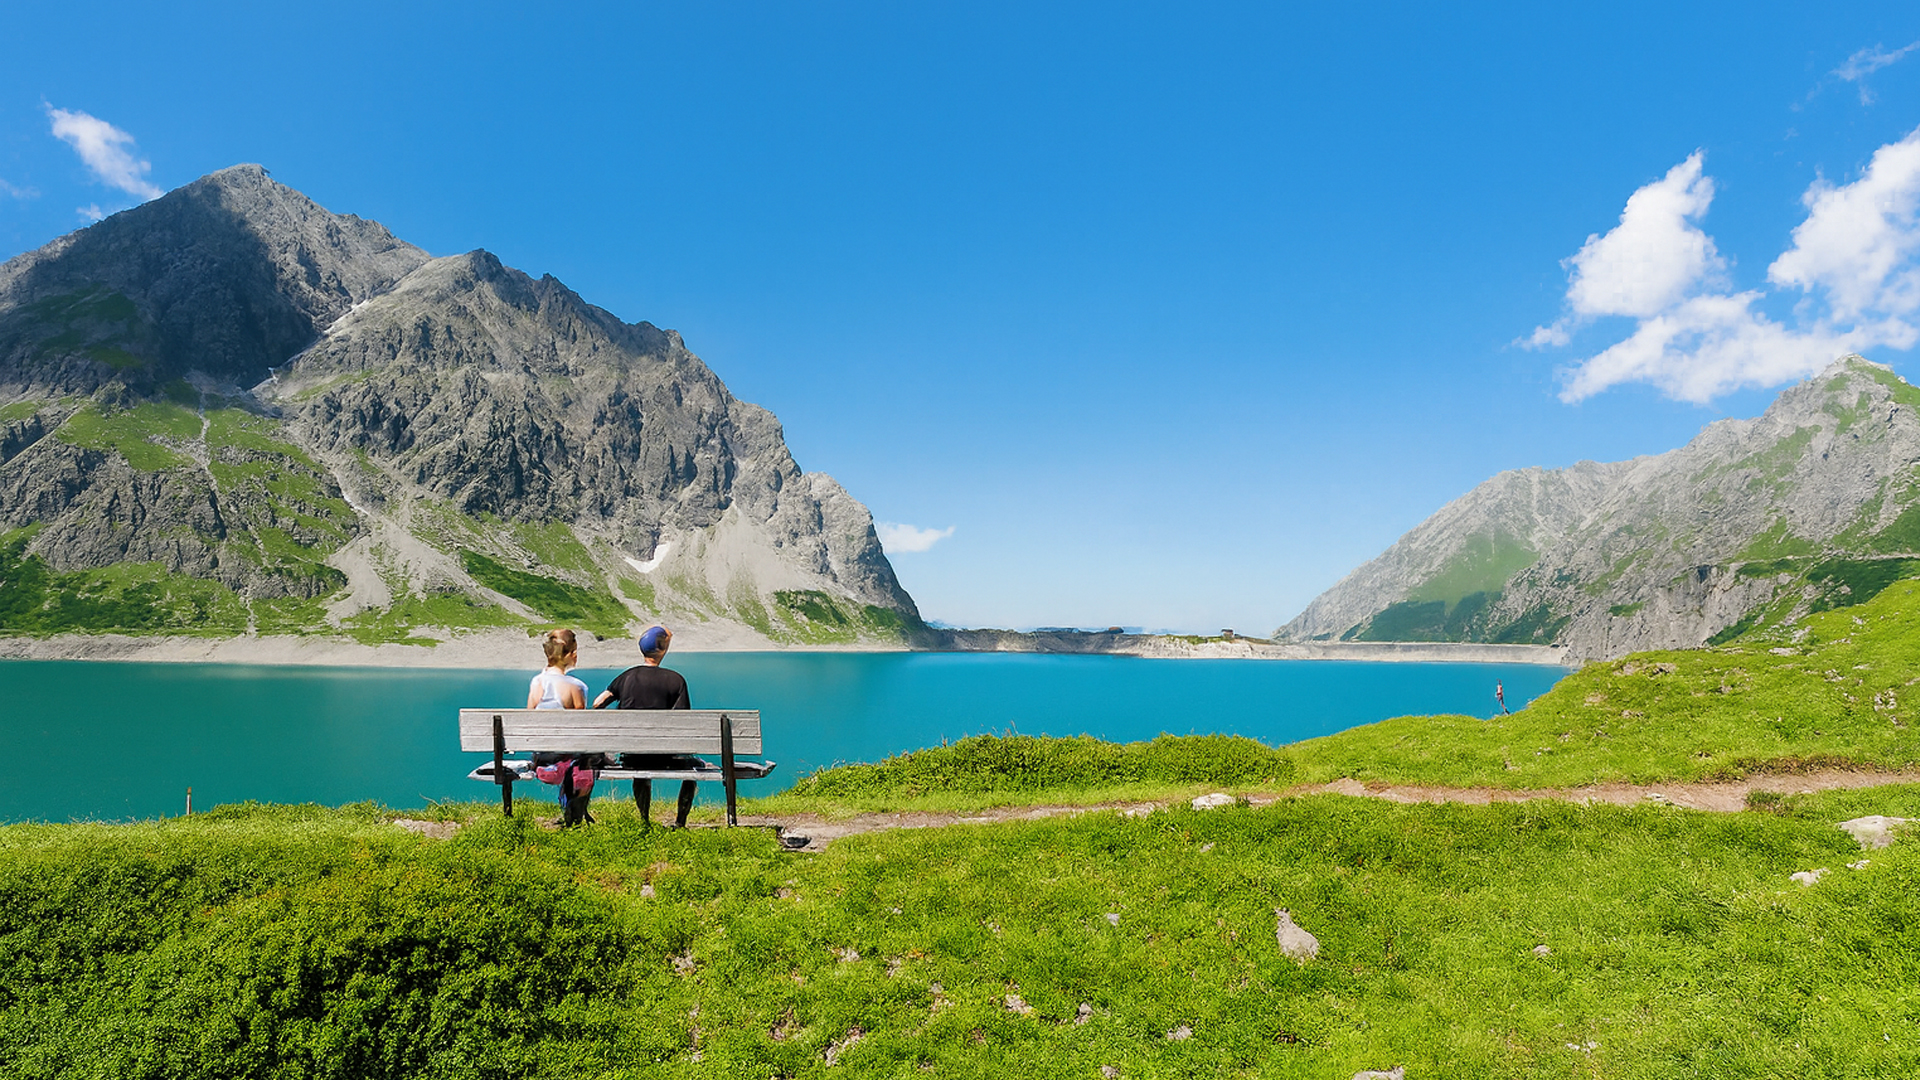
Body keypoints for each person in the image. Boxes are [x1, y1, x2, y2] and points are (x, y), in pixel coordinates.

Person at [595, 624, 700, 827]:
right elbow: (683, 721)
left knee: (640, 765)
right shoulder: (676, 680)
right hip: (666, 756)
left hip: (633, 756)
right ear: (662, 650)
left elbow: (598, 703)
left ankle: (644, 819)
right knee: (694, 768)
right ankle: (680, 821)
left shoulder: (627, 676)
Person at [527, 628, 597, 825]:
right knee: (588, 758)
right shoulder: (576, 686)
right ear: (571, 654)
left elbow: (529, 717)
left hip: (542, 755)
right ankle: (575, 811)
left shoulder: (536, 683)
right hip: (566, 753)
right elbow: (580, 727)